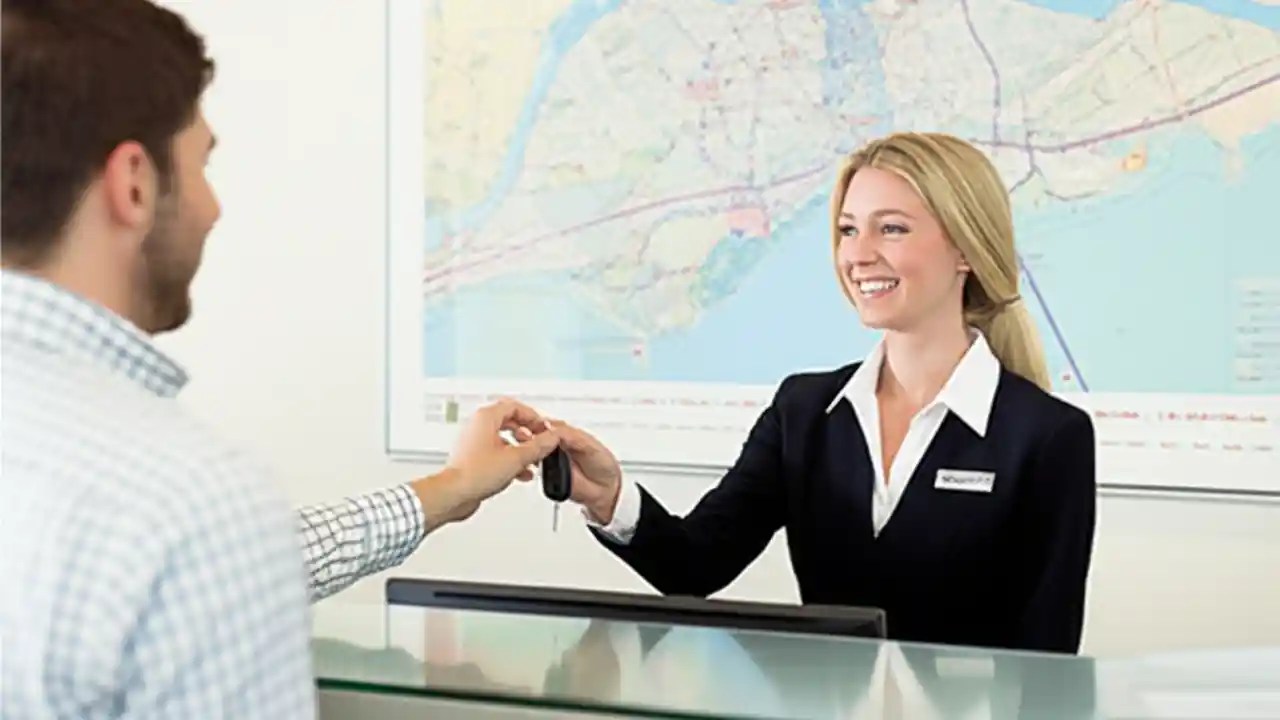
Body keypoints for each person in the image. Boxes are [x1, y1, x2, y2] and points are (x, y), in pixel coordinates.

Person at [0, 1, 557, 717]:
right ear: (133, 183)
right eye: (201, 163)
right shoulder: (188, 506)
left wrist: (448, 488)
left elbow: (246, 561)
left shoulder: (164, 517)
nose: (213, 207)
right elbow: (211, 556)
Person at [539, 132, 1098, 654]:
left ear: (966, 250)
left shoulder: (1048, 437)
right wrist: (607, 495)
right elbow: (693, 565)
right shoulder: (804, 412)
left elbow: (1046, 663)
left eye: (892, 228)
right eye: (849, 229)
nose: (858, 254)